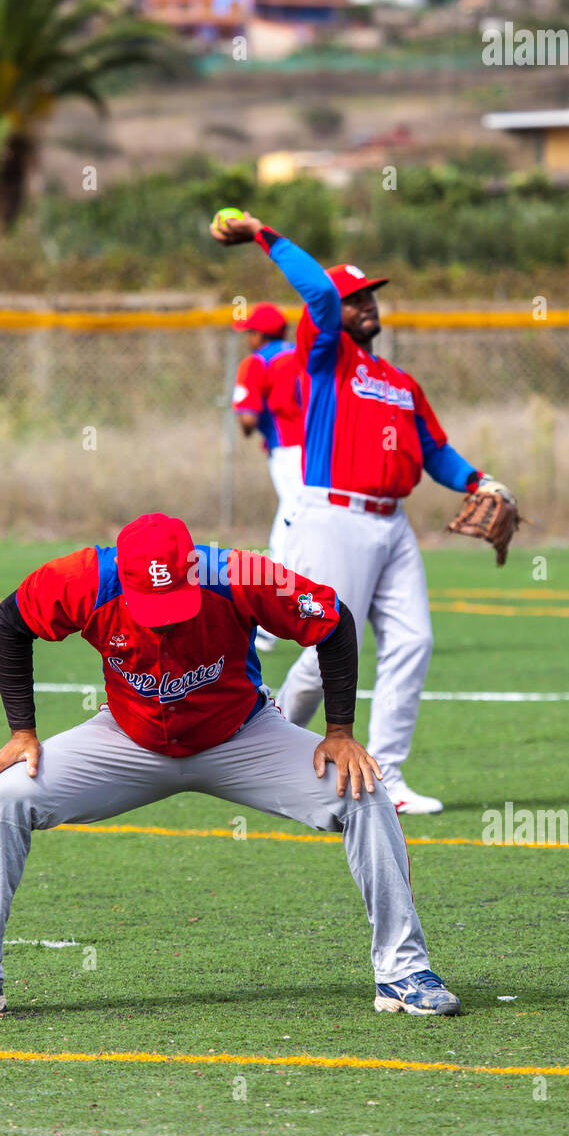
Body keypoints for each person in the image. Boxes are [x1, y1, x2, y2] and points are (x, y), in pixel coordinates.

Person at [0, 512, 460, 1019]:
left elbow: (333, 621)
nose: (165, 620)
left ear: (193, 567)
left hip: (241, 735)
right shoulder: (83, 577)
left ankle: (403, 972)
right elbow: (9, 622)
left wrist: (339, 733)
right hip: (128, 739)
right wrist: (21, 732)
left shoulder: (242, 574)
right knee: (4, 797)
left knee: (362, 793)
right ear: (122, 571)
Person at [211, 212, 516, 816]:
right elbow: (320, 294)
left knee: (412, 642)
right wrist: (264, 234)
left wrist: (480, 480)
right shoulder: (326, 358)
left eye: (370, 295)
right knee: (329, 652)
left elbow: (434, 450)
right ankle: (257, 746)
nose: (366, 304)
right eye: (356, 299)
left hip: (392, 524)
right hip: (336, 516)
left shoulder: (399, 381)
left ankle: (389, 777)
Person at [232, 302, 304, 653]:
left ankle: (270, 618)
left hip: (290, 451)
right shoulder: (305, 354)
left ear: (259, 334)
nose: (247, 338)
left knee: (290, 525)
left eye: (249, 332)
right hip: (324, 450)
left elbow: (247, 419)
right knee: (302, 520)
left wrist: (256, 425)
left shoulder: (257, 362)